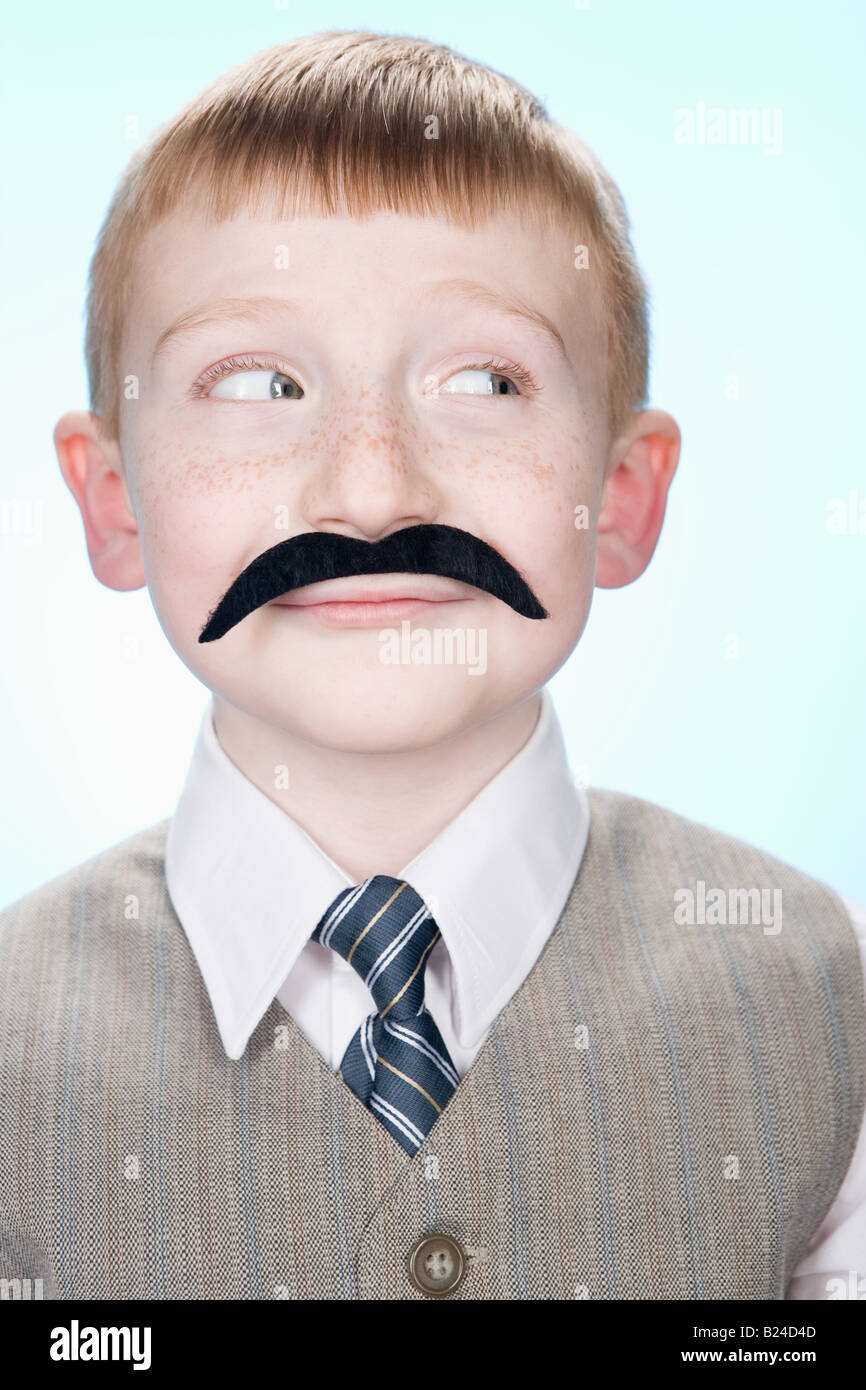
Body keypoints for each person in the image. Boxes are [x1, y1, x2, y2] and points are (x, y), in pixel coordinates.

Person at [1, 29, 863, 1301]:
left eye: (484, 378)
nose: (368, 488)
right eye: (254, 380)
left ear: (620, 496)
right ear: (115, 502)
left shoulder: (823, 997)